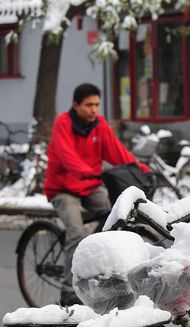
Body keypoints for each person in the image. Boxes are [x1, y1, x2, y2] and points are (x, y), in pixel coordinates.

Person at [44, 83, 147, 305]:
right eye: (88, 105)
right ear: (76, 105)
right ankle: (68, 292)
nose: (93, 109)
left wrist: (141, 170)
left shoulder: (99, 125)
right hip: (63, 188)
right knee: (76, 233)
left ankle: (96, 265)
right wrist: (87, 171)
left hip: (89, 185)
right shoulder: (63, 122)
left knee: (114, 218)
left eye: (96, 105)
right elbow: (65, 155)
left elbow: (118, 153)